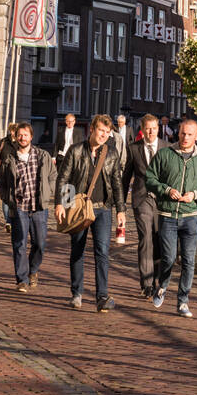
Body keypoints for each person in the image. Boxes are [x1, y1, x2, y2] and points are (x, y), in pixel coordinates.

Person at [55, 113, 126, 313]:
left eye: (107, 132)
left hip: (102, 208)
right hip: (79, 208)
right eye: (101, 130)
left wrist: (121, 209)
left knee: (102, 251)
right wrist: (62, 204)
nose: (104, 135)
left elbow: (117, 183)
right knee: (77, 249)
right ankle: (76, 292)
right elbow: (64, 178)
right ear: (92, 129)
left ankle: (101, 296)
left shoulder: (111, 153)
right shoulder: (76, 150)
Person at [146, 118, 197, 318]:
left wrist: (195, 195)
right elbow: (150, 178)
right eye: (183, 133)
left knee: (188, 261)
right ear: (178, 133)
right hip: (168, 215)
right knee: (168, 258)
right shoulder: (165, 154)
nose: (185, 137)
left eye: (190, 134)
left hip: (191, 217)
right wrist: (166, 190)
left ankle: (183, 301)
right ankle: (162, 286)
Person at [0, 122, 56, 293]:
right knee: (19, 243)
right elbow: (2, 182)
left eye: (26, 135)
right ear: (16, 137)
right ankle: (21, 279)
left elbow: (53, 176)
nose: (22, 138)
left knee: (40, 243)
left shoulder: (42, 156)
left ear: (31, 136)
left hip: (39, 207)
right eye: (20, 135)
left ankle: (33, 270)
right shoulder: (10, 158)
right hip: (19, 207)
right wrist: (8, 199)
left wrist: (48, 192)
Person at [122, 113, 168, 297]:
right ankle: (147, 284)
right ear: (142, 129)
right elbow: (125, 178)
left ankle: (157, 278)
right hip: (142, 199)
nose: (151, 132)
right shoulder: (133, 149)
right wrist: (121, 206)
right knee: (146, 238)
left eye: (154, 128)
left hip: (163, 201)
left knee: (159, 240)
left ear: (158, 129)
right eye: (147, 128)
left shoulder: (167, 147)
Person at [0, 121, 17, 231]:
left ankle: (12, 220)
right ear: (11, 131)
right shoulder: (3, 142)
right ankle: (8, 221)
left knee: (14, 198)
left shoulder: (21, 143)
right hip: (2, 176)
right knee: (5, 199)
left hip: (16, 176)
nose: (17, 134)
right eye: (15, 131)